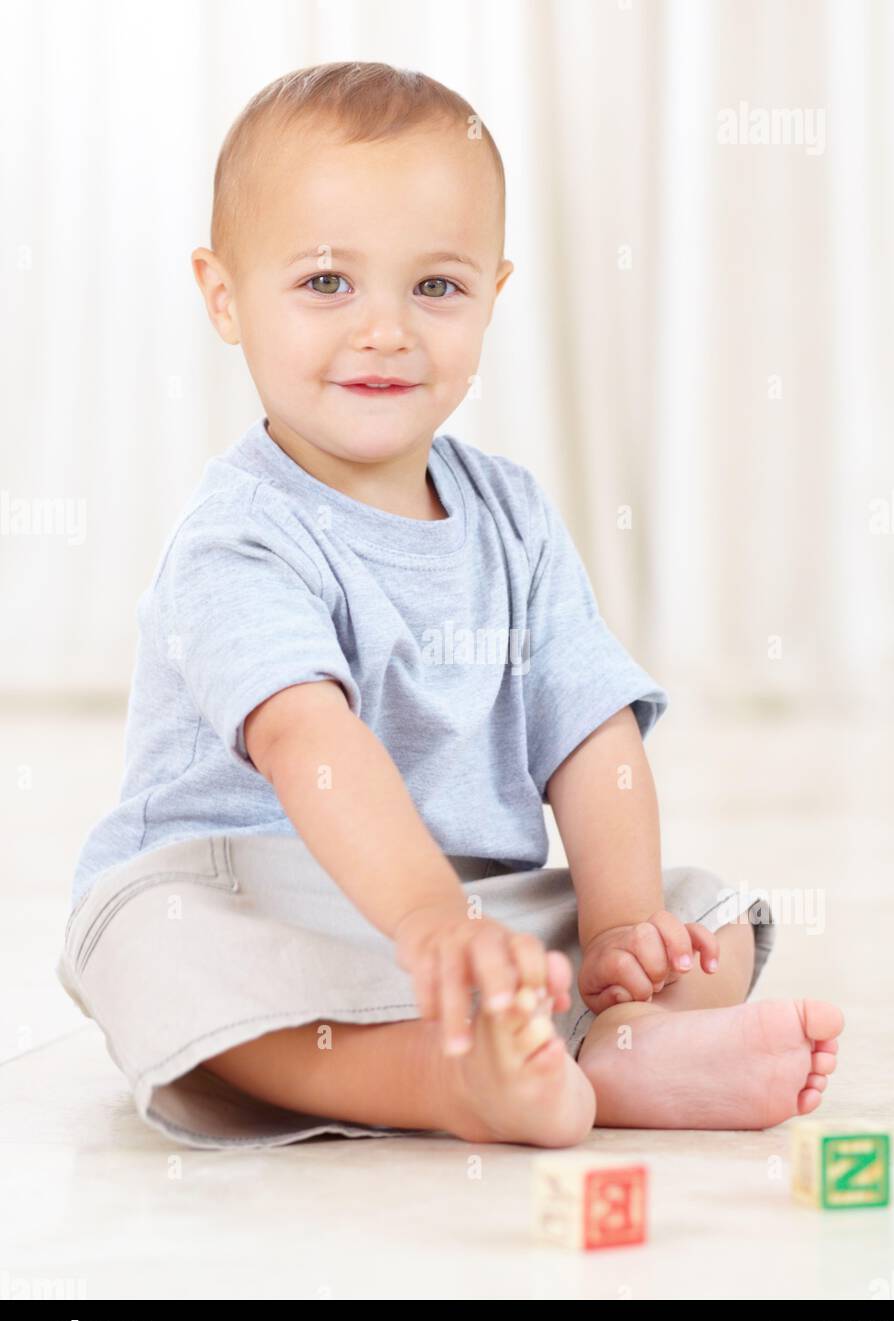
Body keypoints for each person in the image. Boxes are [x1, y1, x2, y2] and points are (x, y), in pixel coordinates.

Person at [57, 61, 842, 1150]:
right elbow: (306, 739)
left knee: (705, 916)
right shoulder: (239, 537)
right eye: (328, 282)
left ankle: (612, 1040)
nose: (385, 329)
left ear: (492, 294)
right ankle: (432, 1075)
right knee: (152, 947)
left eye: (435, 287)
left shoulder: (512, 517)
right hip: (260, 898)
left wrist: (617, 930)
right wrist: (422, 921)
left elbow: (591, 732)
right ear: (224, 295)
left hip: (479, 917)